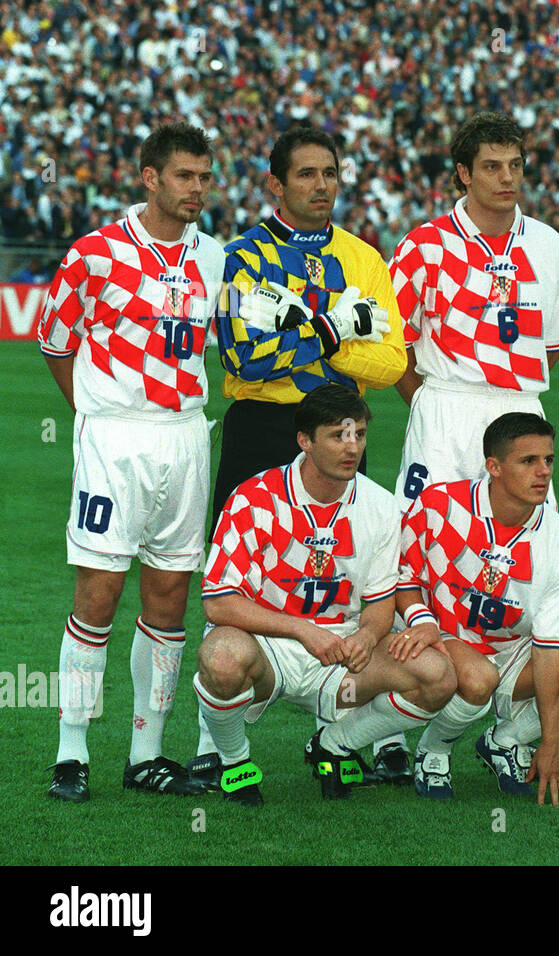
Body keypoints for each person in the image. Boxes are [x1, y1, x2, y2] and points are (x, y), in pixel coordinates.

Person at [198, 124, 408, 784]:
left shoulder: (365, 256)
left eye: (332, 173)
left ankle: (333, 736)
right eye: (309, 174)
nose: (324, 186)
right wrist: (337, 324)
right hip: (262, 426)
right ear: (275, 183)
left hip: (339, 423)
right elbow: (241, 354)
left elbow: (389, 358)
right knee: (240, 574)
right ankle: (218, 741)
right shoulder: (243, 256)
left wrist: (295, 323)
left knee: (342, 567)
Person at [39, 122, 224, 802]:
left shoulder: (215, 258)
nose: (197, 189)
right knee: (98, 594)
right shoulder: (95, 253)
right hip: (114, 439)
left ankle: (146, 752)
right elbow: (56, 343)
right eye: (184, 176)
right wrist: (93, 414)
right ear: (150, 178)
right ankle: (72, 750)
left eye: (205, 177)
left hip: (185, 436)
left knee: (171, 597)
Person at [194, 385, 456, 806]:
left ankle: (333, 744)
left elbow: (380, 602)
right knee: (222, 659)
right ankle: (234, 761)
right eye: (338, 435)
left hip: (341, 656)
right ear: (305, 441)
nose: (352, 447)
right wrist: (302, 630)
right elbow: (219, 602)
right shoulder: (254, 498)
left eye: (360, 435)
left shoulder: (381, 507)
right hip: (268, 649)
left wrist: (368, 638)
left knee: (436, 675)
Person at [392, 414, 559, 805]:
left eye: (548, 460)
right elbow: (400, 575)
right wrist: (421, 620)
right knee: (478, 678)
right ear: (493, 467)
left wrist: (551, 743)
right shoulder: (439, 505)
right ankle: (435, 749)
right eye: (528, 460)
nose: (543, 471)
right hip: (444, 636)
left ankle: (506, 739)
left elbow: (550, 649)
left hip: (514, 648)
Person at [388, 112, 559, 509]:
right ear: (464, 173)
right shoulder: (425, 245)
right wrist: (430, 400)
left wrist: (512, 384)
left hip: (522, 408)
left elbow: (556, 341)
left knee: (525, 546)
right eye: (492, 167)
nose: (507, 178)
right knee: (429, 537)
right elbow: (393, 341)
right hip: (446, 410)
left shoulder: (547, 244)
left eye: (515, 166)